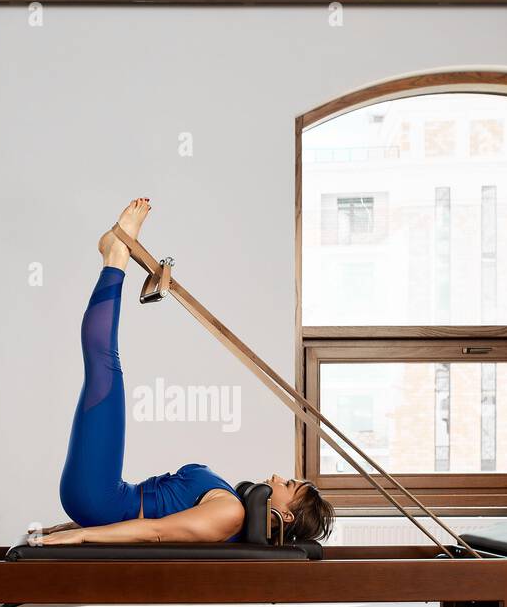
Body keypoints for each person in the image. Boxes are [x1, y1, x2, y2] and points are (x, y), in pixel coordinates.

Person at [37, 198, 335, 546]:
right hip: (101, 498)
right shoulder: (232, 505)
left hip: (100, 498)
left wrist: (85, 534)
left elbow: (156, 531)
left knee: (104, 364)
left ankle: (114, 258)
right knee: (103, 366)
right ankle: (114, 256)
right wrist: (73, 526)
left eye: (287, 484)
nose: (276, 476)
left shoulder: (231, 514)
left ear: (286, 515)